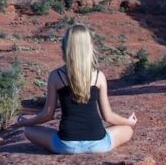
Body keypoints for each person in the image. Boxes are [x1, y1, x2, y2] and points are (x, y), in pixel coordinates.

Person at [15, 23, 136, 154]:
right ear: (89, 47)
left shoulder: (56, 76)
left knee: (29, 130)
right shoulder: (98, 76)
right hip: (98, 144)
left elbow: (47, 115)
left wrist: (26, 121)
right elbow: (108, 117)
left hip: (65, 145)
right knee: (127, 129)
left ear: (66, 47)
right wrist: (128, 121)